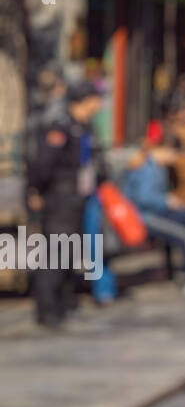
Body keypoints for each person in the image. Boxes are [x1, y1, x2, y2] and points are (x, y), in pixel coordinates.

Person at [27, 80, 104, 328]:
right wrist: (36, 190)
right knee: (55, 254)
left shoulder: (84, 128)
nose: (100, 104)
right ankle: (48, 311)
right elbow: (43, 163)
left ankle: (65, 304)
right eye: (95, 98)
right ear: (83, 100)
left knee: (70, 253)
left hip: (77, 198)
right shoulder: (60, 127)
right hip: (59, 198)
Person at [122, 122, 185, 297]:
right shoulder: (147, 169)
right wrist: (166, 200)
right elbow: (144, 198)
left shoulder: (156, 167)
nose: (174, 157)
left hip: (153, 212)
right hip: (143, 217)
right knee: (183, 235)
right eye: (172, 152)